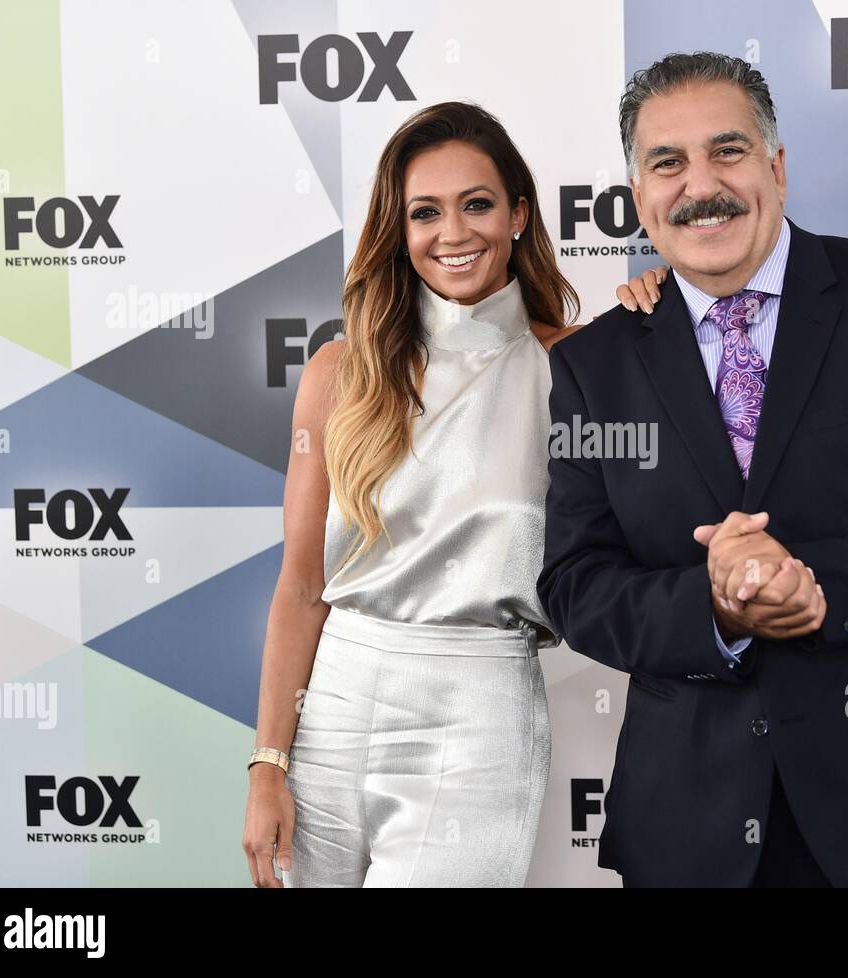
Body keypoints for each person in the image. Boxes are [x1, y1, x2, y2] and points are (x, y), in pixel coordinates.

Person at [537, 52, 848, 887]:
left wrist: (814, 584)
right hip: (688, 831)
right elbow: (576, 582)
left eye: (727, 151)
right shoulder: (597, 364)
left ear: (775, 165)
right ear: (639, 199)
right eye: (668, 162)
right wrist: (717, 607)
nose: (701, 185)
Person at [241, 101, 654, 887]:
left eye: (478, 204)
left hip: (480, 712)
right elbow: (300, 587)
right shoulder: (341, 372)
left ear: (520, 215)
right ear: (399, 231)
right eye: (425, 212)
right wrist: (268, 763)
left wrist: (664, 309)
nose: (453, 233)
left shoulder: (575, 368)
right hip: (333, 703)